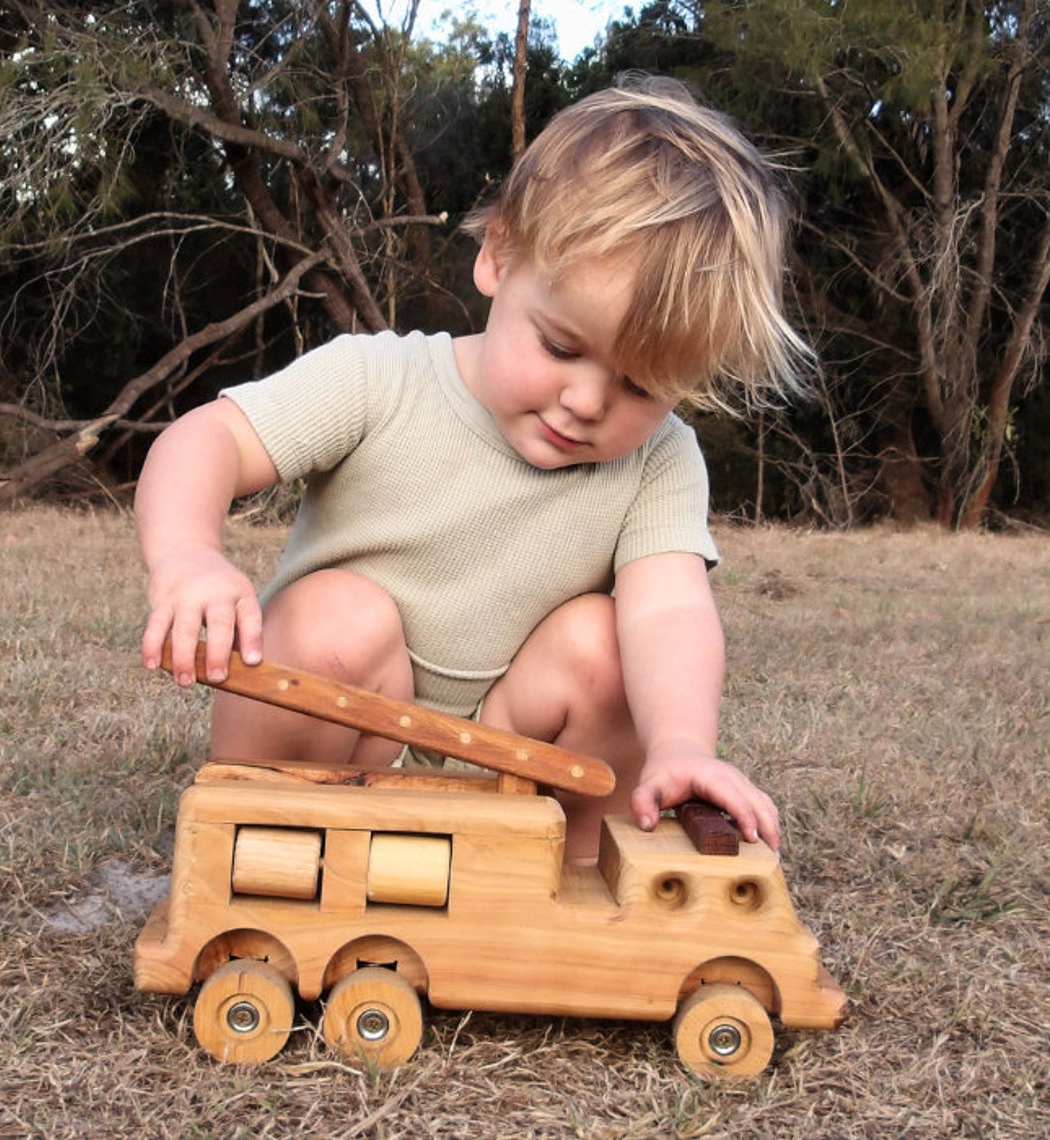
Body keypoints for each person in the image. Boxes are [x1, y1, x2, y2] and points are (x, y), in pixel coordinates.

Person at [135, 74, 808, 860]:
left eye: (642, 384)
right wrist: (187, 557)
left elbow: (670, 613)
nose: (588, 401)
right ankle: (271, 846)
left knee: (610, 643)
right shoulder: (377, 380)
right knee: (335, 617)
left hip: (508, 771)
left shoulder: (659, 460)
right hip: (341, 744)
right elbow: (206, 439)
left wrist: (684, 743)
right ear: (498, 256)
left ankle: (569, 881)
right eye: (561, 347)